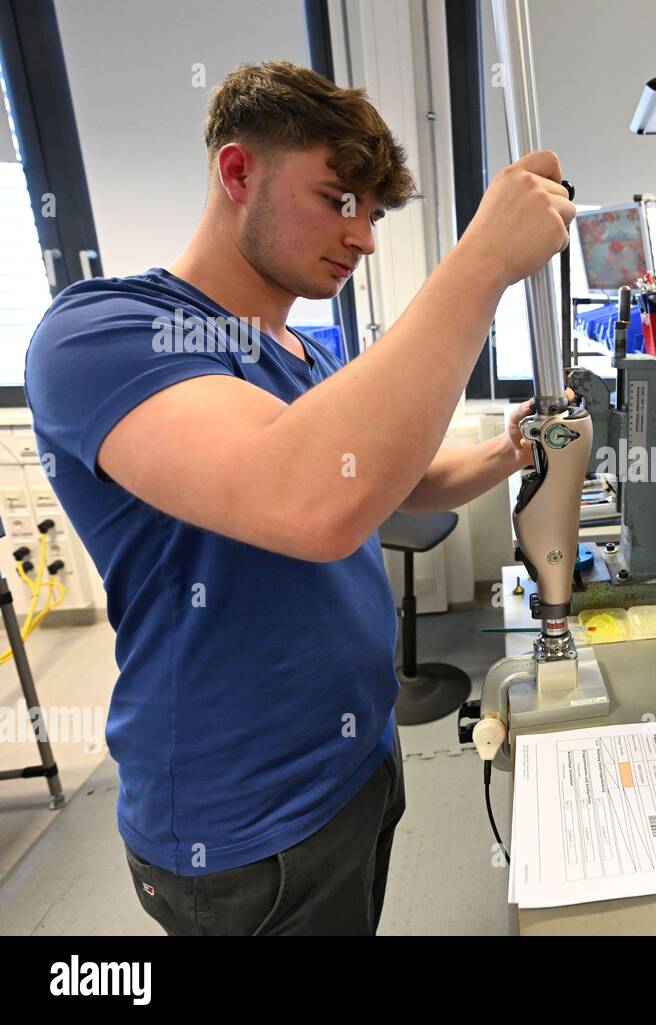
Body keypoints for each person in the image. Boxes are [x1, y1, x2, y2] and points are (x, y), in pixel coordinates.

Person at [23, 60, 575, 935]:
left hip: (357, 765)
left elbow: (403, 482)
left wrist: (509, 451)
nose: (362, 238)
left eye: (375, 214)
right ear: (238, 174)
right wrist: (482, 261)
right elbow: (310, 498)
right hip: (242, 831)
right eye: (337, 200)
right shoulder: (103, 333)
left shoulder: (302, 354)